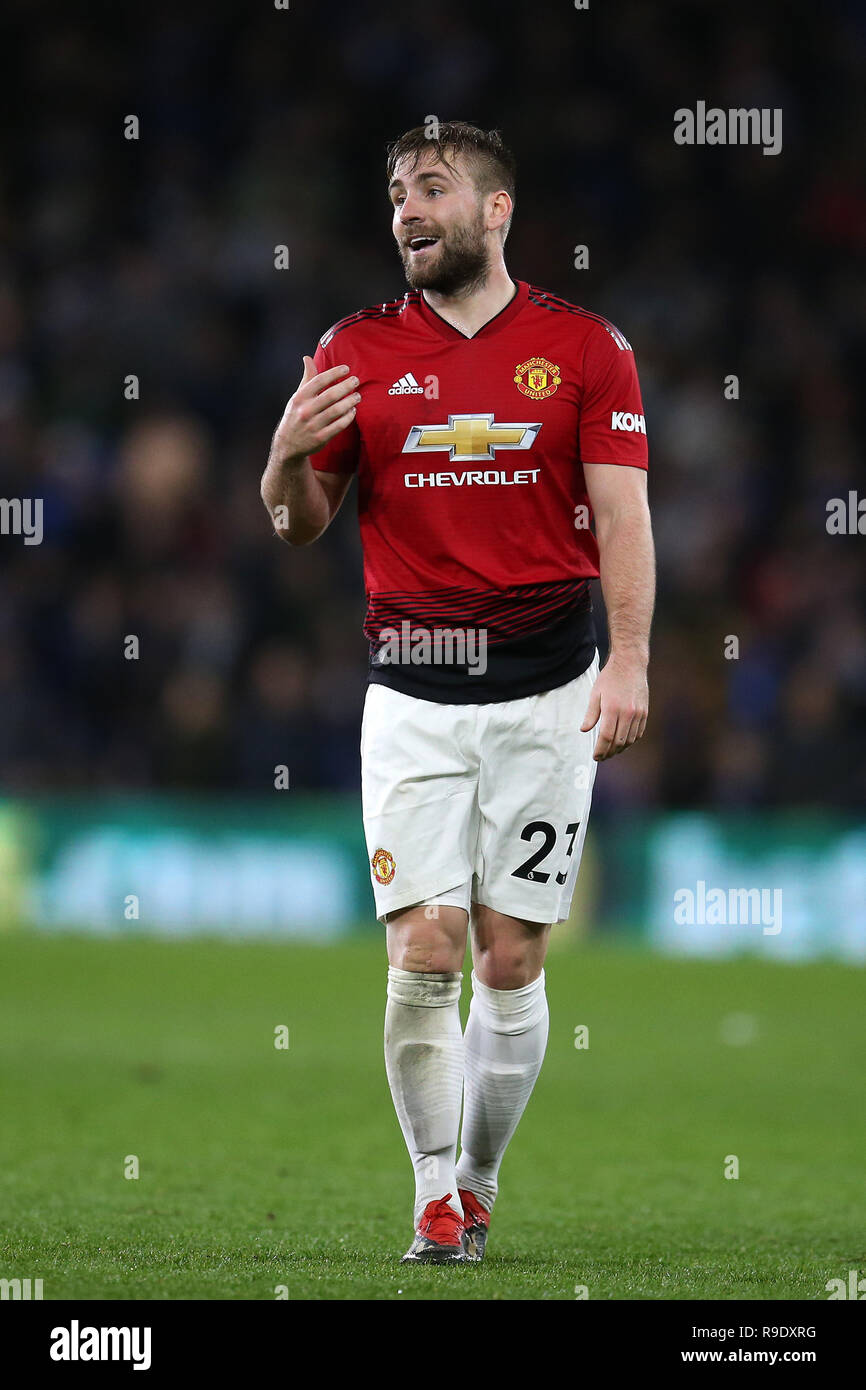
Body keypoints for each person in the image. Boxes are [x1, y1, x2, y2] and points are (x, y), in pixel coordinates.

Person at [261, 121, 654, 1264]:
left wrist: (628, 658)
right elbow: (295, 529)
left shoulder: (584, 350)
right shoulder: (354, 350)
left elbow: (621, 513)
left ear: (496, 211)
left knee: (510, 959)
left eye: (430, 188)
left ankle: (477, 1178)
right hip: (413, 696)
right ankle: (433, 1195)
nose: (405, 211)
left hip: (545, 696)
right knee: (424, 950)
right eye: (393, 195)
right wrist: (285, 454)